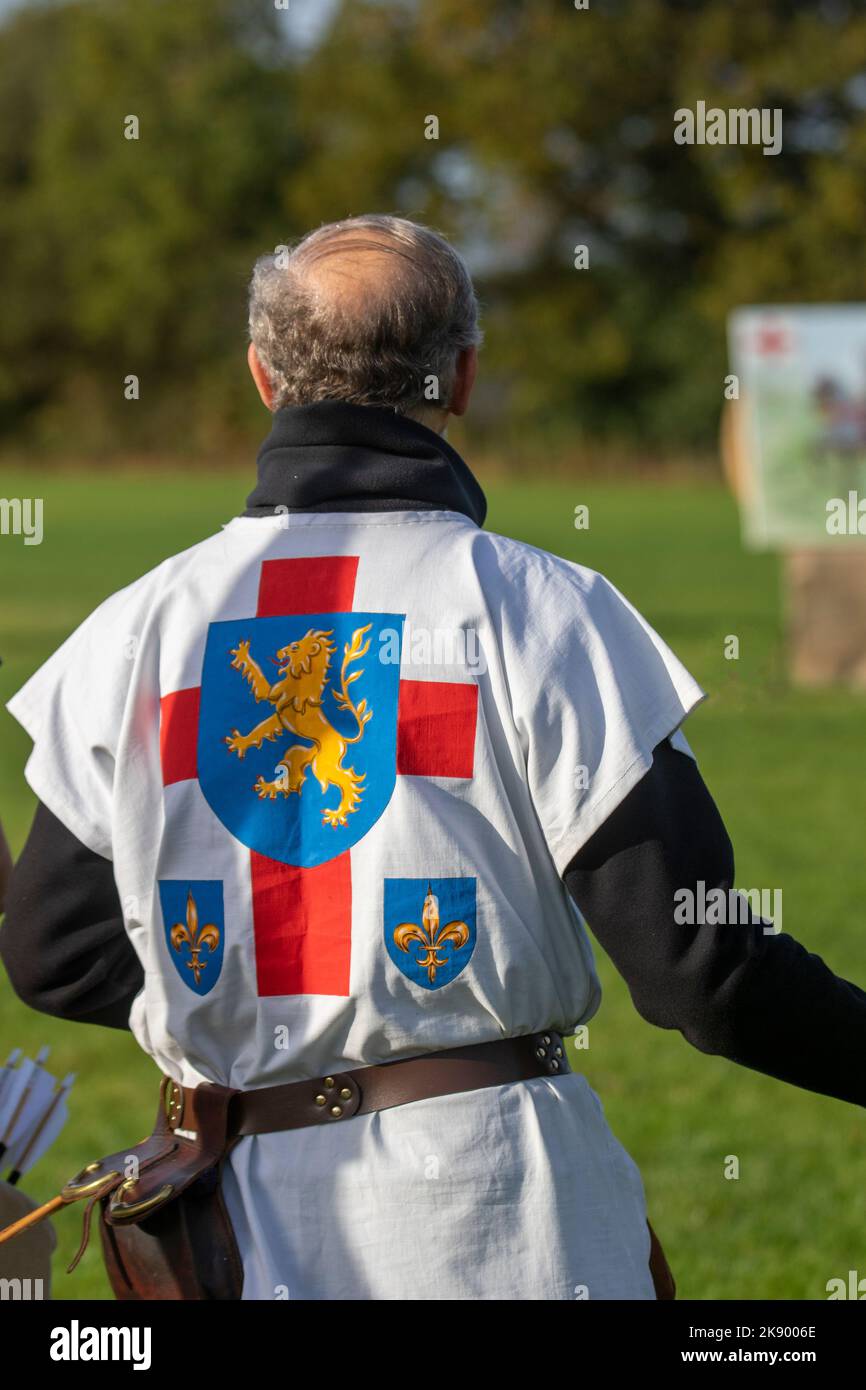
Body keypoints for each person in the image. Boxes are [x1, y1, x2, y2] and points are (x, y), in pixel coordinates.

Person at [3, 215, 866, 1302]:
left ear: (263, 376)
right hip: (498, 1211)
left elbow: (53, 952)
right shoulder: (544, 611)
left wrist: (251, 1015)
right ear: (460, 376)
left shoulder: (132, 629)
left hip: (229, 1212)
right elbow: (700, 970)